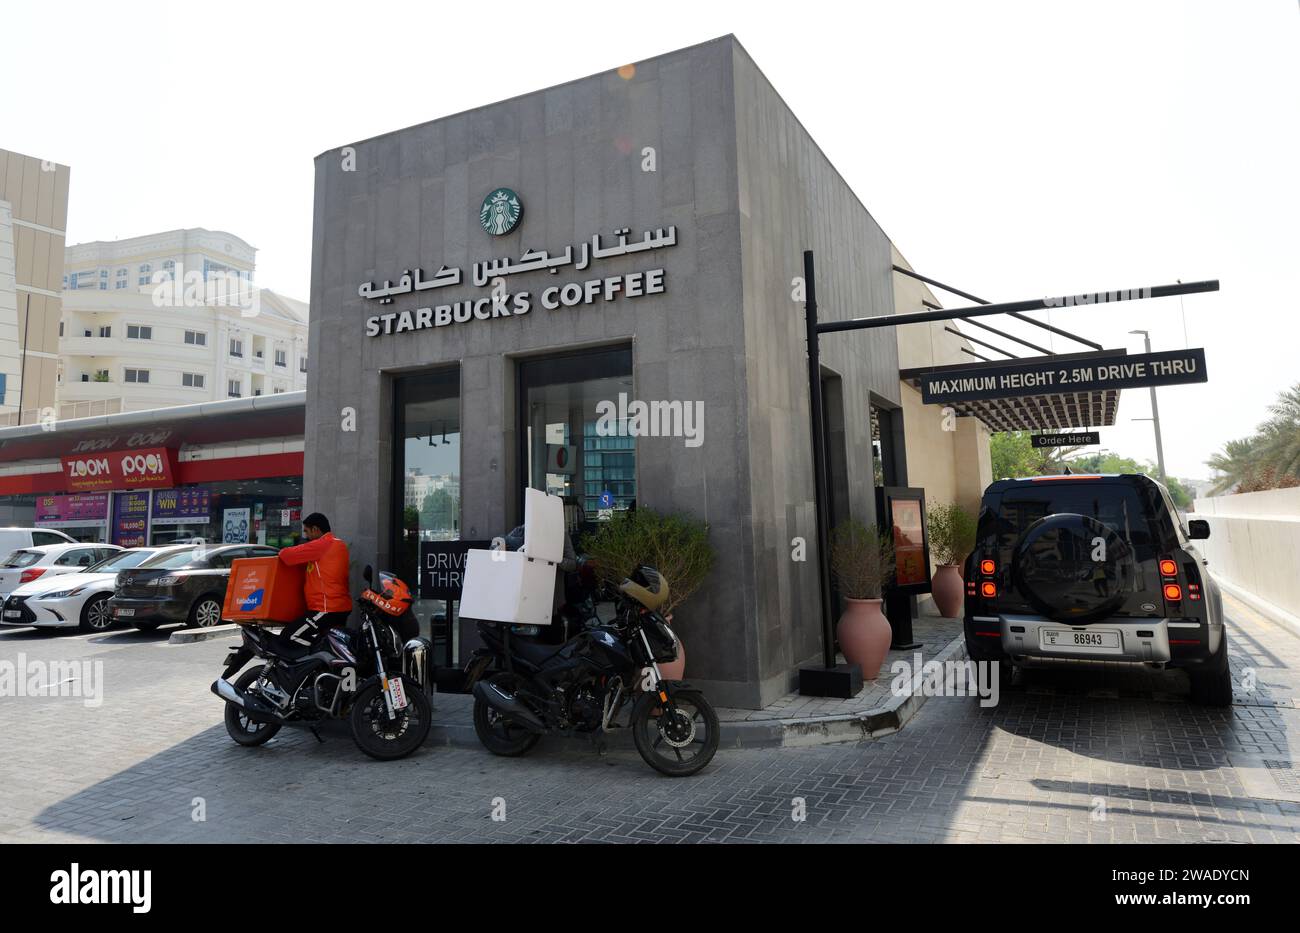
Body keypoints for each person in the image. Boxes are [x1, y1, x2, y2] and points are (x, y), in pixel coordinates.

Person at [277, 512, 352, 647]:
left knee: (289, 636)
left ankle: (321, 652)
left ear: (315, 529)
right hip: (339, 608)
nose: (306, 536)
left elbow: (285, 555)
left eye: (307, 531)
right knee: (329, 640)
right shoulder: (339, 544)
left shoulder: (323, 544)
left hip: (325, 609)